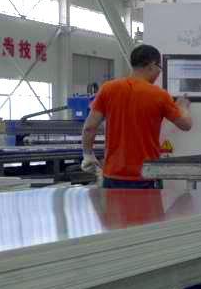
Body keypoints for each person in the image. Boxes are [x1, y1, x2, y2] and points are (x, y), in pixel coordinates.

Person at [82, 44, 193, 189]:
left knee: (113, 205)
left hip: (112, 176)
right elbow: (186, 125)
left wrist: (88, 155)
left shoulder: (108, 89)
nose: (159, 73)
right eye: (159, 68)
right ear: (152, 65)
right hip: (146, 176)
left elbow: (89, 128)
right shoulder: (159, 95)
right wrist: (183, 107)